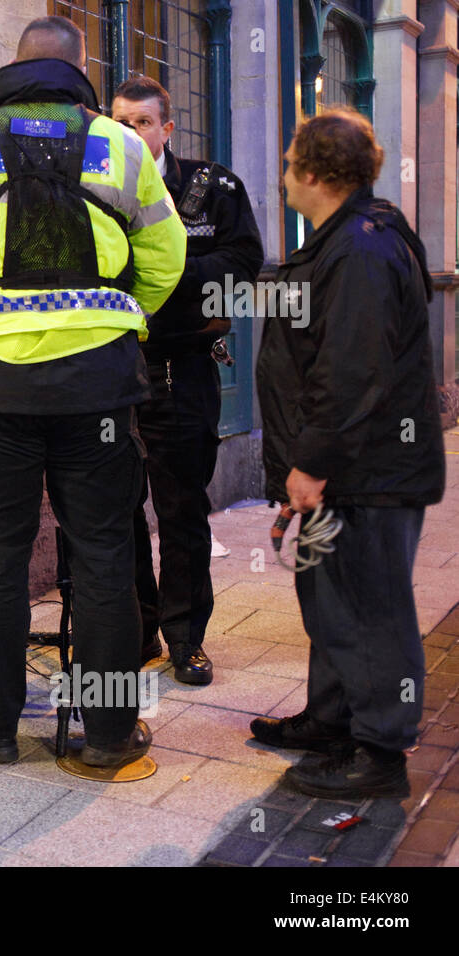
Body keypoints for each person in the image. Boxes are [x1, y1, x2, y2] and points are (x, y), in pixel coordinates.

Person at [0, 17, 186, 767]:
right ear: (80, 69)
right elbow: (167, 249)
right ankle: (111, 735)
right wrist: (129, 317)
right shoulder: (119, 143)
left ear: (13, 65)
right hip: (100, 391)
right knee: (107, 559)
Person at [252, 109, 445, 799]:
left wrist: (311, 464)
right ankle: (333, 720)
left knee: (369, 605)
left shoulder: (360, 248)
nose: (280, 178)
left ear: (311, 174)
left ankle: (380, 751)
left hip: (369, 473)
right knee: (331, 596)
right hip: (356, 470)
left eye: (285, 164)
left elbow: (351, 371)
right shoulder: (348, 238)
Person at [111, 76, 264, 685]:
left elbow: (242, 263)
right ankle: (137, 629)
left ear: (166, 129)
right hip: (112, 370)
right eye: (120, 123)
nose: (131, 133)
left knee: (180, 512)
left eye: (142, 123)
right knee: (116, 512)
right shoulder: (94, 191)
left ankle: (185, 639)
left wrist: (160, 270)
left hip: (182, 369)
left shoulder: (213, 186)